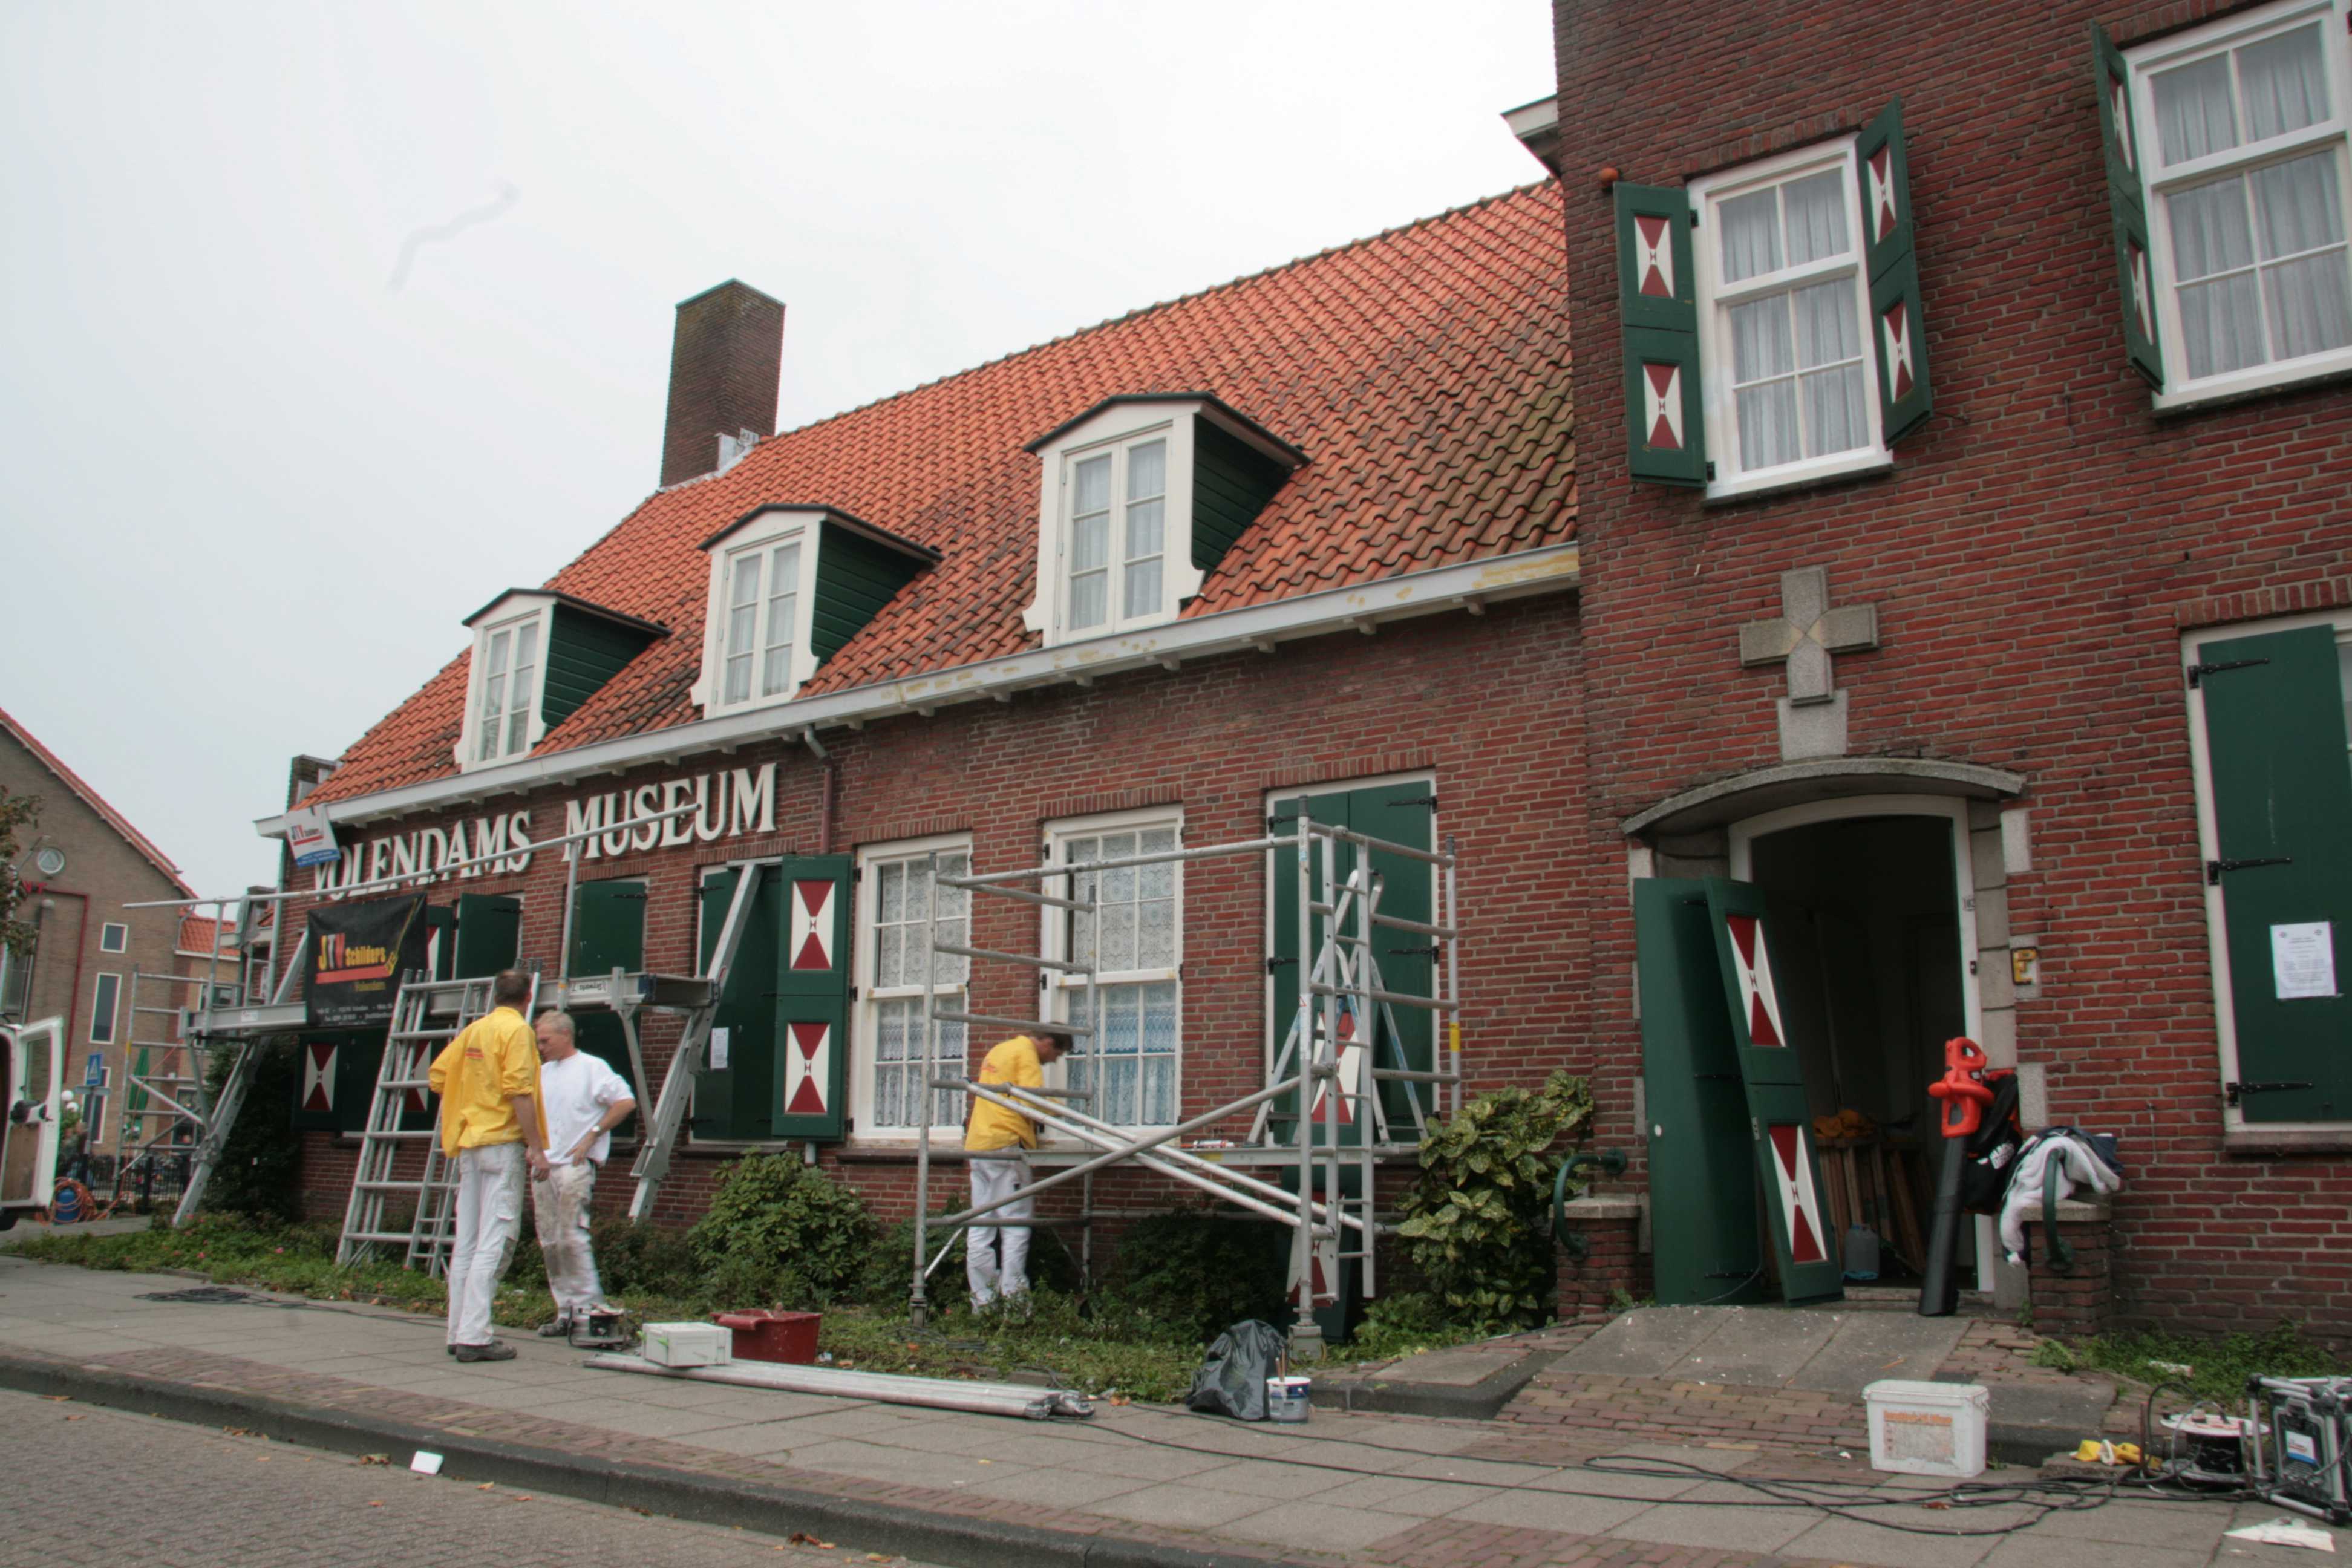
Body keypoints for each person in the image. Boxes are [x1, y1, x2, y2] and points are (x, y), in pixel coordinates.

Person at [427, 969, 547, 1363]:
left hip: (469, 1144)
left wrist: (470, 1104)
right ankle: (475, 1336)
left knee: (467, 1242)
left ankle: (458, 1329)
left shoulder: (475, 1030)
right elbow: (519, 1091)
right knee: (496, 1242)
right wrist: (536, 1148)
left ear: (495, 994)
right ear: (529, 996)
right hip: (502, 1144)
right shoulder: (517, 1032)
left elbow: (439, 1076)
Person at [529, 1008, 636, 1339]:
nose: (540, 1046)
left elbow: (625, 1101)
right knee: (550, 1241)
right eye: (538, 1041)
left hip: (574, 1166)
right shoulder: (542, 1073)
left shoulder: (592, 1068)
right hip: (545, 1166)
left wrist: (593, 1134)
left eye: (545, 1040)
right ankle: (565, 1311)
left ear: (566, 1035)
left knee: (573, 1237)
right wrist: (532, 1149)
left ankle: (590, 1310)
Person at [961, 1027, 1070, 1310]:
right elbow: (1031, 1101)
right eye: (1056, 1054)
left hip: (979, 1144)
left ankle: (983, 1303)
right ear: (1047, 1043)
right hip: (1006, 1145)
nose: (1053, 1061)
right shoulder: (1027, 1055)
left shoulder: (1000, 1049)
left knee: (981, 1227)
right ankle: (1015, 1302)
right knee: (1016, 1224)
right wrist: (1065, 1109)